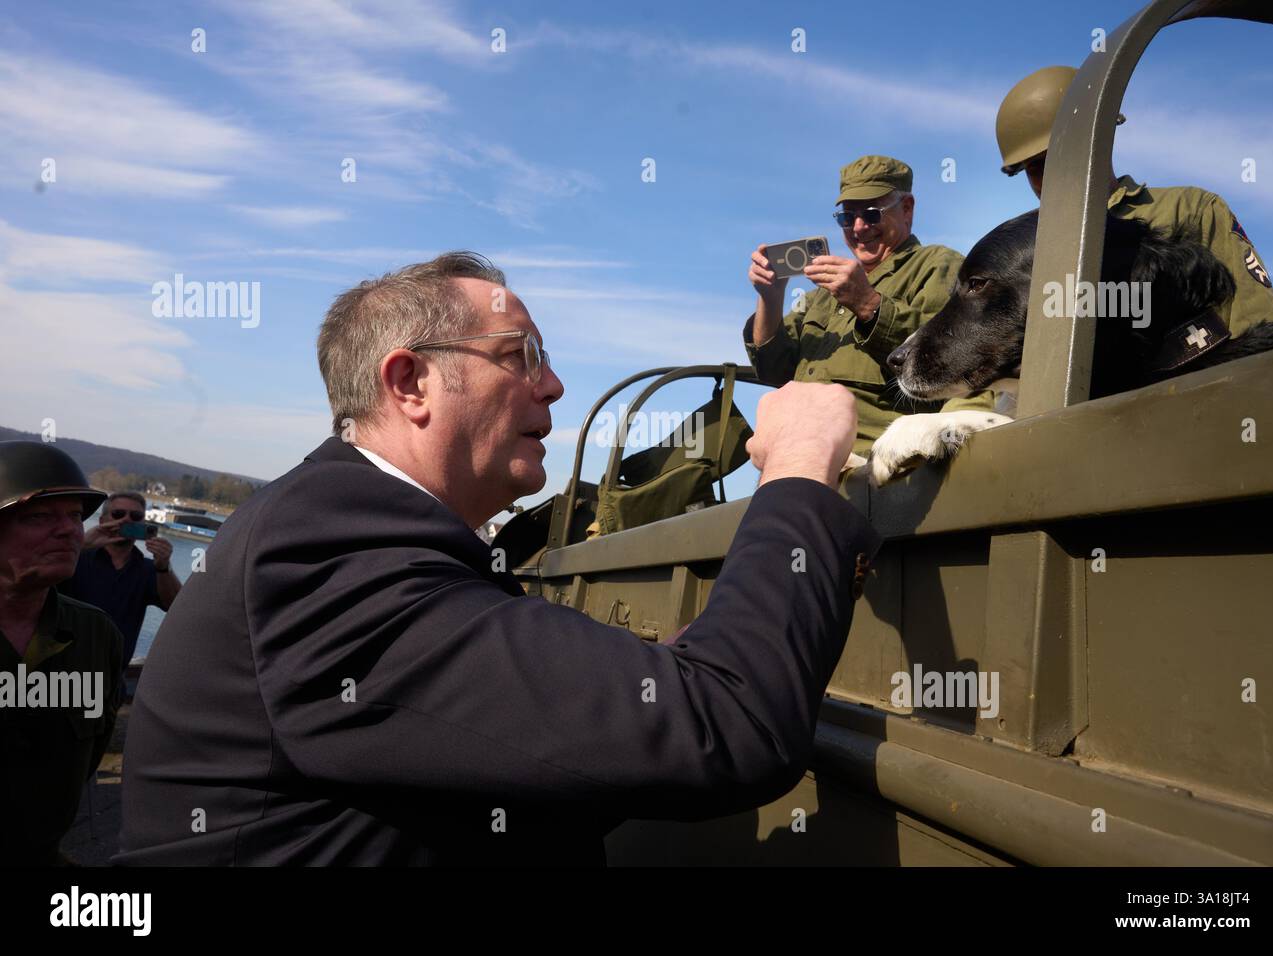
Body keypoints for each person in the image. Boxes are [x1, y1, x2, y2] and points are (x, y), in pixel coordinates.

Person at [119, 251, 880, 866]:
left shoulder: (370, 534)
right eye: (521, 357)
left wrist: (641, 683)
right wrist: (801, 468)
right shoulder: (325, 547)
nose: (552, 384)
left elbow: (500, 757)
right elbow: (732, 726)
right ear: (410, 381)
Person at [997, 65, 1273, 337]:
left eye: (1063, 152)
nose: (1053, 174)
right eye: (1035, 166)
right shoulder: (1029, 250)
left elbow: (1260, 338)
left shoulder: (1191, 211)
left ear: (1102, 137)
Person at [744, 155, 994, 456]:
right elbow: (772, 370)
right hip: (794, 450)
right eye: (847, 218)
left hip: (874, 460)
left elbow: (953, 355)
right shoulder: (820, 295)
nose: (859, 228)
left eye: (872, 214)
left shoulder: (937, 266)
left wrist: (867, 304)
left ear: (907, 209)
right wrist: (769, 300)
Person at [0, 441, 123, 866]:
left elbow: (89, 755)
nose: (69, 531)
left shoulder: (94, 635)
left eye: (74, 516)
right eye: (39, 517)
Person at [60, 490, 181, 692]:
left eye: (135, 517)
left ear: (143, 524)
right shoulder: (77, 558)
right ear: (102, 520)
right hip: (59, 674)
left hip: (111, 682)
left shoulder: (149, 569)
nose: (126, 520)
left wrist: (164, 567)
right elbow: (32, 584)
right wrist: (78, 546)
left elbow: (177, 606)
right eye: (118, 514)